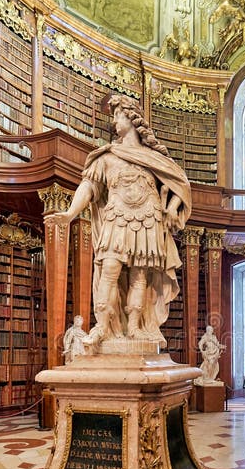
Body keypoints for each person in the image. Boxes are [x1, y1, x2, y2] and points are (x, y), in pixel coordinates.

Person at [46, 94, 191, 348]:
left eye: (117, 116)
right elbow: (88, 186)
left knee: (139, 277)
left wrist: (171, 207)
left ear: (131, 118)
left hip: (147, 219)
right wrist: (70, 214)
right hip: (117, 218)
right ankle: (103, 326)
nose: (113, 123)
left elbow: (180, 184)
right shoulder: (106, 156)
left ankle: (134, 327)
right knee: (109, 270)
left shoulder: (153, 159)